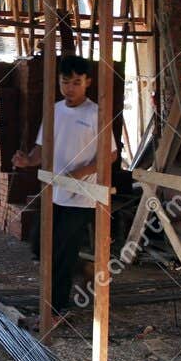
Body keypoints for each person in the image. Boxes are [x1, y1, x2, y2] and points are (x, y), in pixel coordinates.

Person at [12, 55, 115, 328]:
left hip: (82, 197)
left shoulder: (96, 114)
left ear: (88, 83)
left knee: (60, 254)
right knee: (39, 244)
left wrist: (80, 174)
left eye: (77, 83)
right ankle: (84, 269)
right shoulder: (55, 110)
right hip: (55, 193)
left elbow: (111, 155)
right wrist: (27, 160)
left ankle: (56, 311)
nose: (70, 88)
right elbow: (42, 151)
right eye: (65, 82)